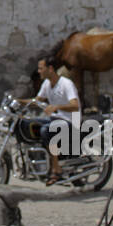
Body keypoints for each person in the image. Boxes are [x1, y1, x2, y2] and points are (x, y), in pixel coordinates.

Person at [26, 57, 81, 185]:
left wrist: (56, 107)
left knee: (46, 130)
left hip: (71, 120)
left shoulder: (66, 84)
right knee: (32, 124)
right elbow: (37, 100)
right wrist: (17, 102)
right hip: (57, 119)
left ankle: (56, 169)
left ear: (50, 69)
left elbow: (75, 105)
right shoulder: (46, 84)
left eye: (41, 68)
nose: (39, 71)